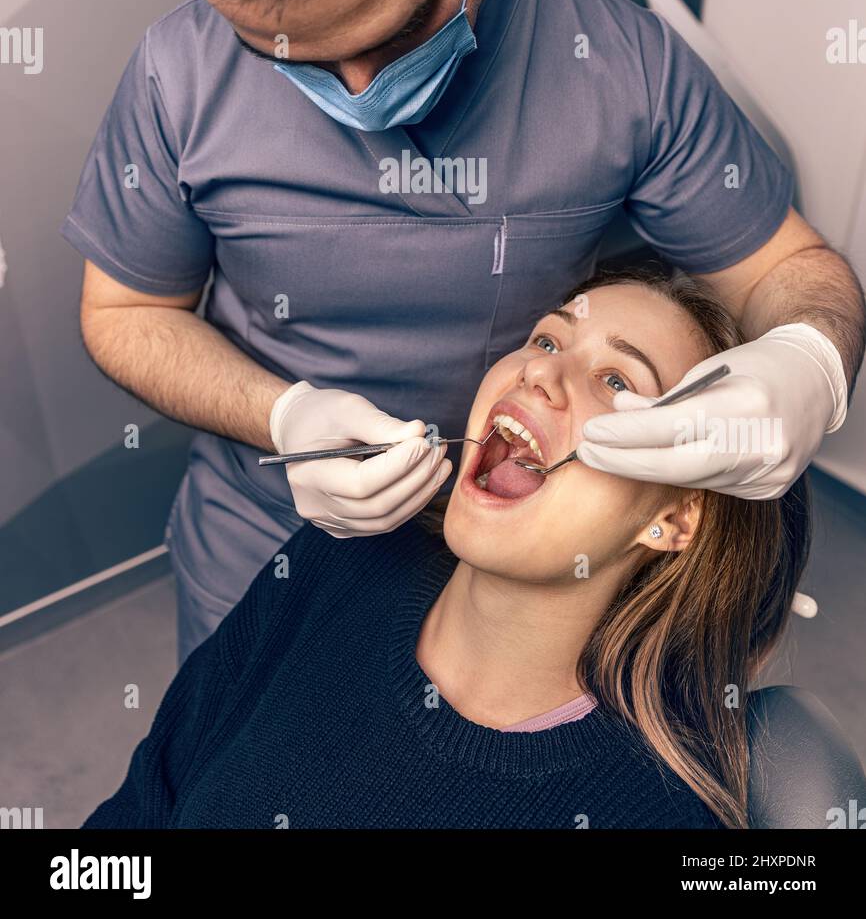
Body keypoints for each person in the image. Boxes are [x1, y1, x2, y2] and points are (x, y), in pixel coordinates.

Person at [61, 0, 862, 666]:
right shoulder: (175, 74)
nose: (361, 92)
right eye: (286, 53)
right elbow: (124, 310)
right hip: (259, 562)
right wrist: (280, 414)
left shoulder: (622, 70)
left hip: (506, 593)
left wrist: (804, 362)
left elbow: (794, 272)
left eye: (395, 28)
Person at [81, 267, 810, 830]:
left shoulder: (651, 810)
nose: (539, 371)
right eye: (547, 339)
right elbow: (150, 799)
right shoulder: (339, 557)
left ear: (674, 518)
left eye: (616, 379)